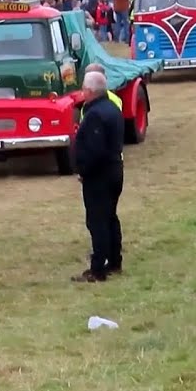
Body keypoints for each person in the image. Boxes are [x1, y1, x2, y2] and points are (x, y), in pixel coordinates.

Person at [71, 71, 124, 283]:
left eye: (84, 88)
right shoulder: (112, 108)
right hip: (115, 171)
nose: (83, 92)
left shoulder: (94, 115)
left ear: (90, 91)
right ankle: (114, 261)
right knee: (110, 217)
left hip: (99, 176)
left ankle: (98, 269)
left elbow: (95, 151)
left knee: (97, 221)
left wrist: (84, 171)